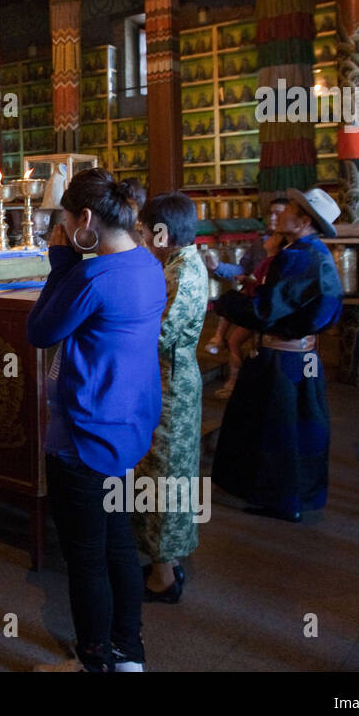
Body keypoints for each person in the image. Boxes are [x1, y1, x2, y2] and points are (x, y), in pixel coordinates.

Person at [26, 168, 166, 672]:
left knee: (85, 558)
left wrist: (62, 263)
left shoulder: (93, 276)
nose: (64, 229)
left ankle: (93, 661)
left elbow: (40, 331)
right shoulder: (149, 264)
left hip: (84, 435)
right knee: (118, 545)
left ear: (85, 218)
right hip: (128, 428)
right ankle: (128, 654)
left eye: (66, 221)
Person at [210, 187, 343, 523]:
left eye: (290, 209)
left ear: (304, 220)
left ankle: (281, 500)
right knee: (300, 424)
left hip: (283, 359)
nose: (281, 214)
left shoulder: (298, 257)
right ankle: (295, 496)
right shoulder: (316, 253)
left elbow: (265, 310)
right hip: (304, 354)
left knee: (279, 428)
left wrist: (223, 303)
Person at [134, 192, 209, 603]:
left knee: (164, 475)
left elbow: (162, 336)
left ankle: (164, 575)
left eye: (145, 232)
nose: (144, 240)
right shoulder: (181, 264)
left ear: (162, 233)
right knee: (164, 472)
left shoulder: (183, 272)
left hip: (171, 384)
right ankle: (167, 561)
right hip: (169, 380)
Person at [203, 197, 288, 399]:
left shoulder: (290, 248)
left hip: (272, 307)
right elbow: (243, 268)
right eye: (271, 213)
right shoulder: (261, 242)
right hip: (254, 298)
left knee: (239, 336)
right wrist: (218, 267)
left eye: (278, 213)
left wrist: (255, 283)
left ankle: (237, 380)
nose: (273, 217)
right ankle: (234, 379)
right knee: (233, 309)